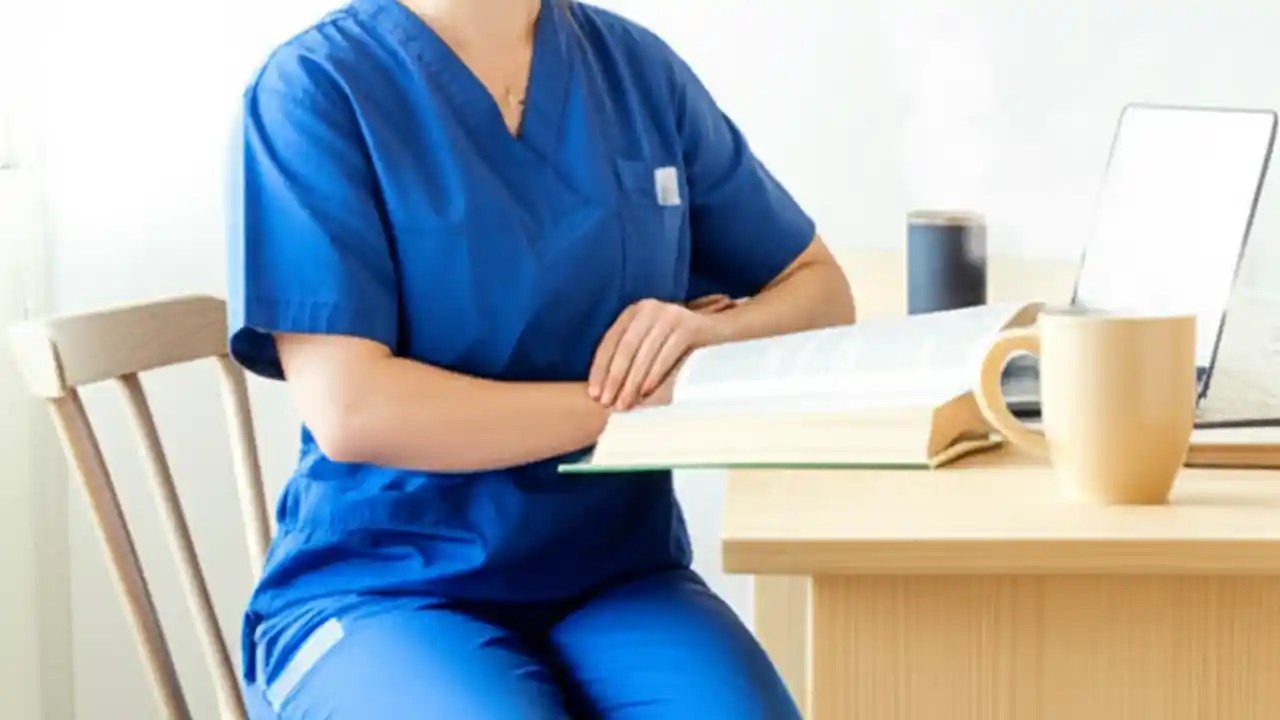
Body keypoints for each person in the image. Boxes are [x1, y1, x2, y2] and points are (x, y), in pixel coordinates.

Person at [229, 0, 854, 716]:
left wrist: (710, 340)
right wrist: (638, 402)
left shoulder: (634, 71)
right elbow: (355, 411)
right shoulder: (315, 88)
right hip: (387, 580)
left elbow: (819, 289)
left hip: (617, 574)